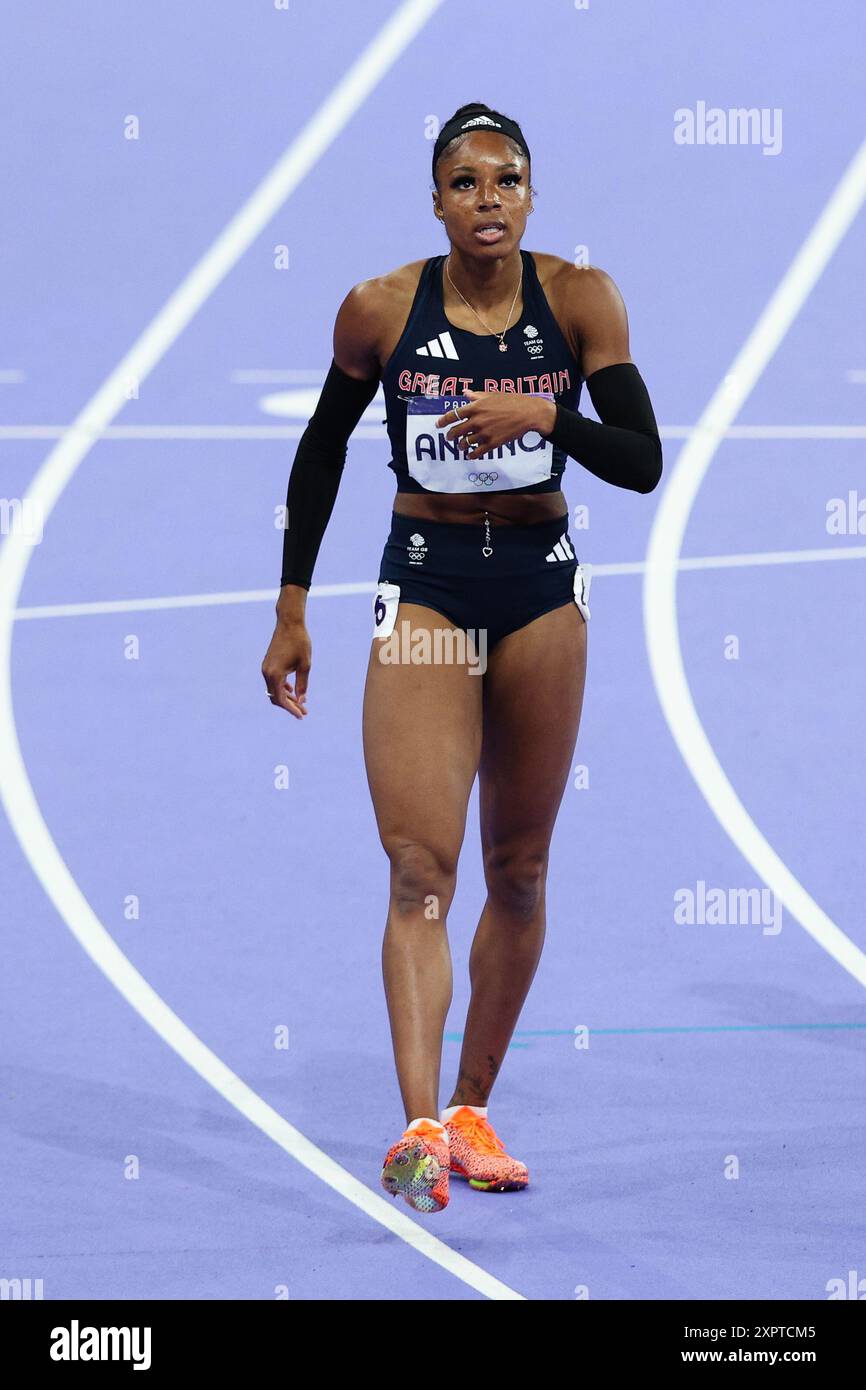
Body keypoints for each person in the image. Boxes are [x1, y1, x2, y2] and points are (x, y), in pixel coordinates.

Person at [262, 102, 662, 1214]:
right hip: (429, 583)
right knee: (417, 872)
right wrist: (291, 605)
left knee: (519, 871)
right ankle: (420, 1128)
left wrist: (540, 415)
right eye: (466, 182)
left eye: (507, 181)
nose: (488, 200)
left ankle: (475, 1106)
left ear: (530, 196)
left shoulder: (579, 301)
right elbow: (318, 452)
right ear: (436, 201)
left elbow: (641, 461)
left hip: (538, 591)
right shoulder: (380, 309)